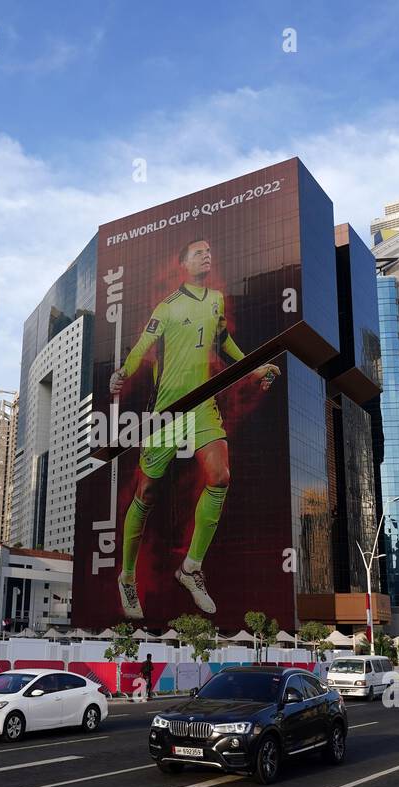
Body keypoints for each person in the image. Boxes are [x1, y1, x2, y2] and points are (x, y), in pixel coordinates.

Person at [110, 238, 280, 620]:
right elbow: (141, 347)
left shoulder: (217, 299)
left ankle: (190, 569)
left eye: (209, 250)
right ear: (183, 263)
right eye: (198, 252)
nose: (207, 254)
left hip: (202, 406)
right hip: (167, 412)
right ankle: (126, 576)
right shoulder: (168, 307)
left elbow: (222, 341)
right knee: (147, 491)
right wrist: (123, 372)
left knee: (220, 476)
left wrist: (254, 368)